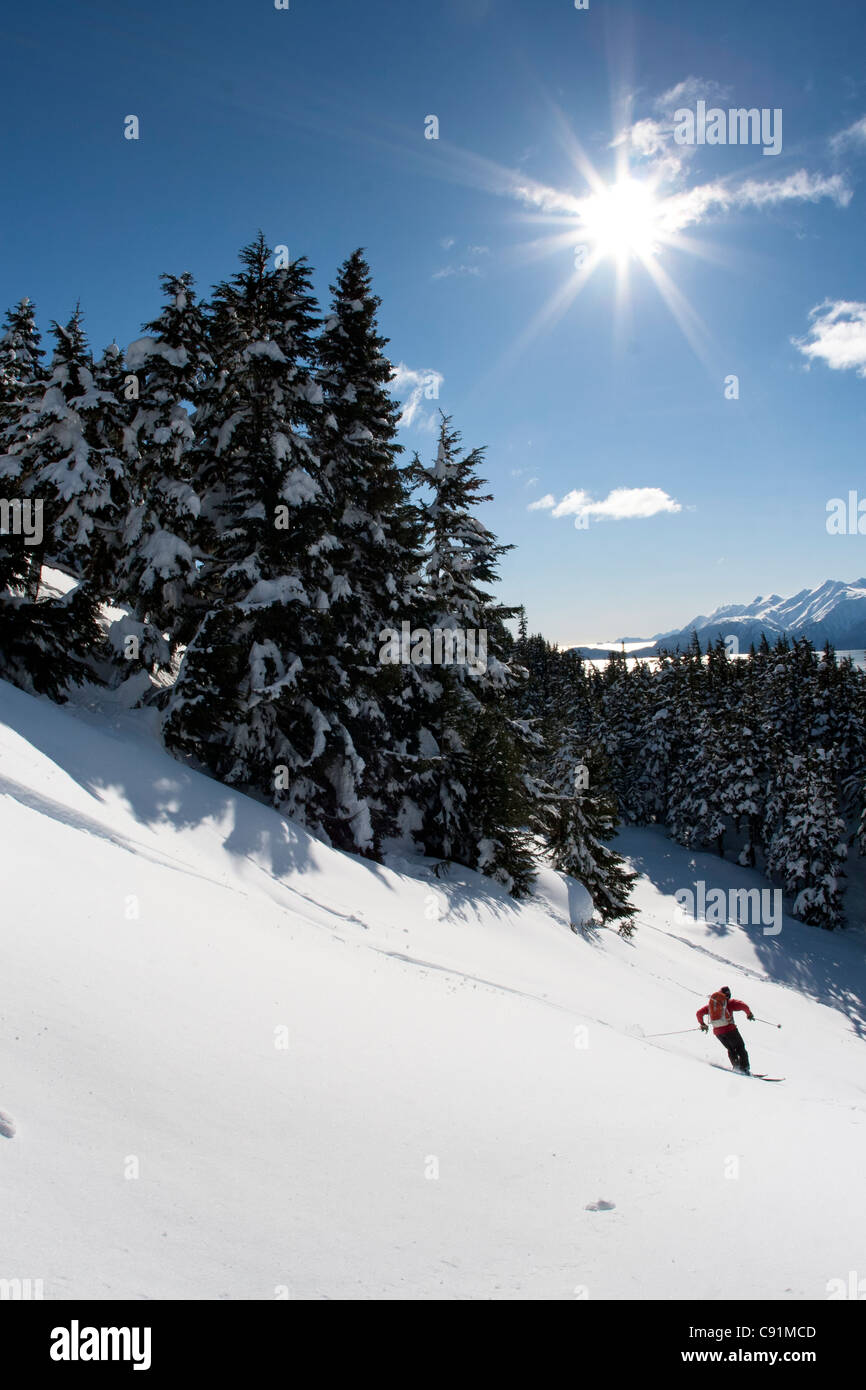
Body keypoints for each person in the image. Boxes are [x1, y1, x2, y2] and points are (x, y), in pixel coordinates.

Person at [696, 986, 754, 1074]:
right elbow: (743, 1006)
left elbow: (699, 1013)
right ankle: (745, 1068)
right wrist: (749, 1014)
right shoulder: (730, 1003)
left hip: (718, 1032)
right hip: (730, 1029)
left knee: (731, 1049)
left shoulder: (712, 1006)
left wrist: (702, 1024)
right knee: (740, 1047)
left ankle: (737, 1067)